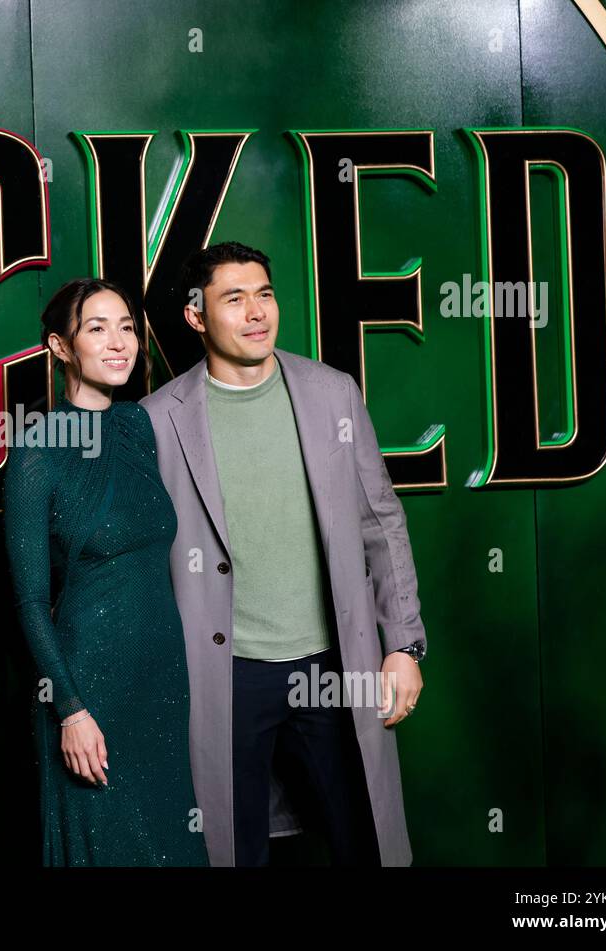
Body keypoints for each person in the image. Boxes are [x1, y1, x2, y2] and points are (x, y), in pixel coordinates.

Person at [140, 241, 428, 867]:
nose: (256, 312)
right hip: (227, 673)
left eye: (264, 294)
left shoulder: (333, 394)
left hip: (332, 664)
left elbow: (381, 523)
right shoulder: (158, 420)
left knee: (366, 836)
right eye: (234, 298)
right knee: (231, 846)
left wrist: (402, 646)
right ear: (196, 316)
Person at [2, 277, 209, 867]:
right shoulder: (36, 448)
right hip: (89, 686)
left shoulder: (137, 427)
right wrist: (70, 708)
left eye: (126, 327)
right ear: (59, 348)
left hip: (163, 682)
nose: (120, 343)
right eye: (97, 328)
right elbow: (28, 602)